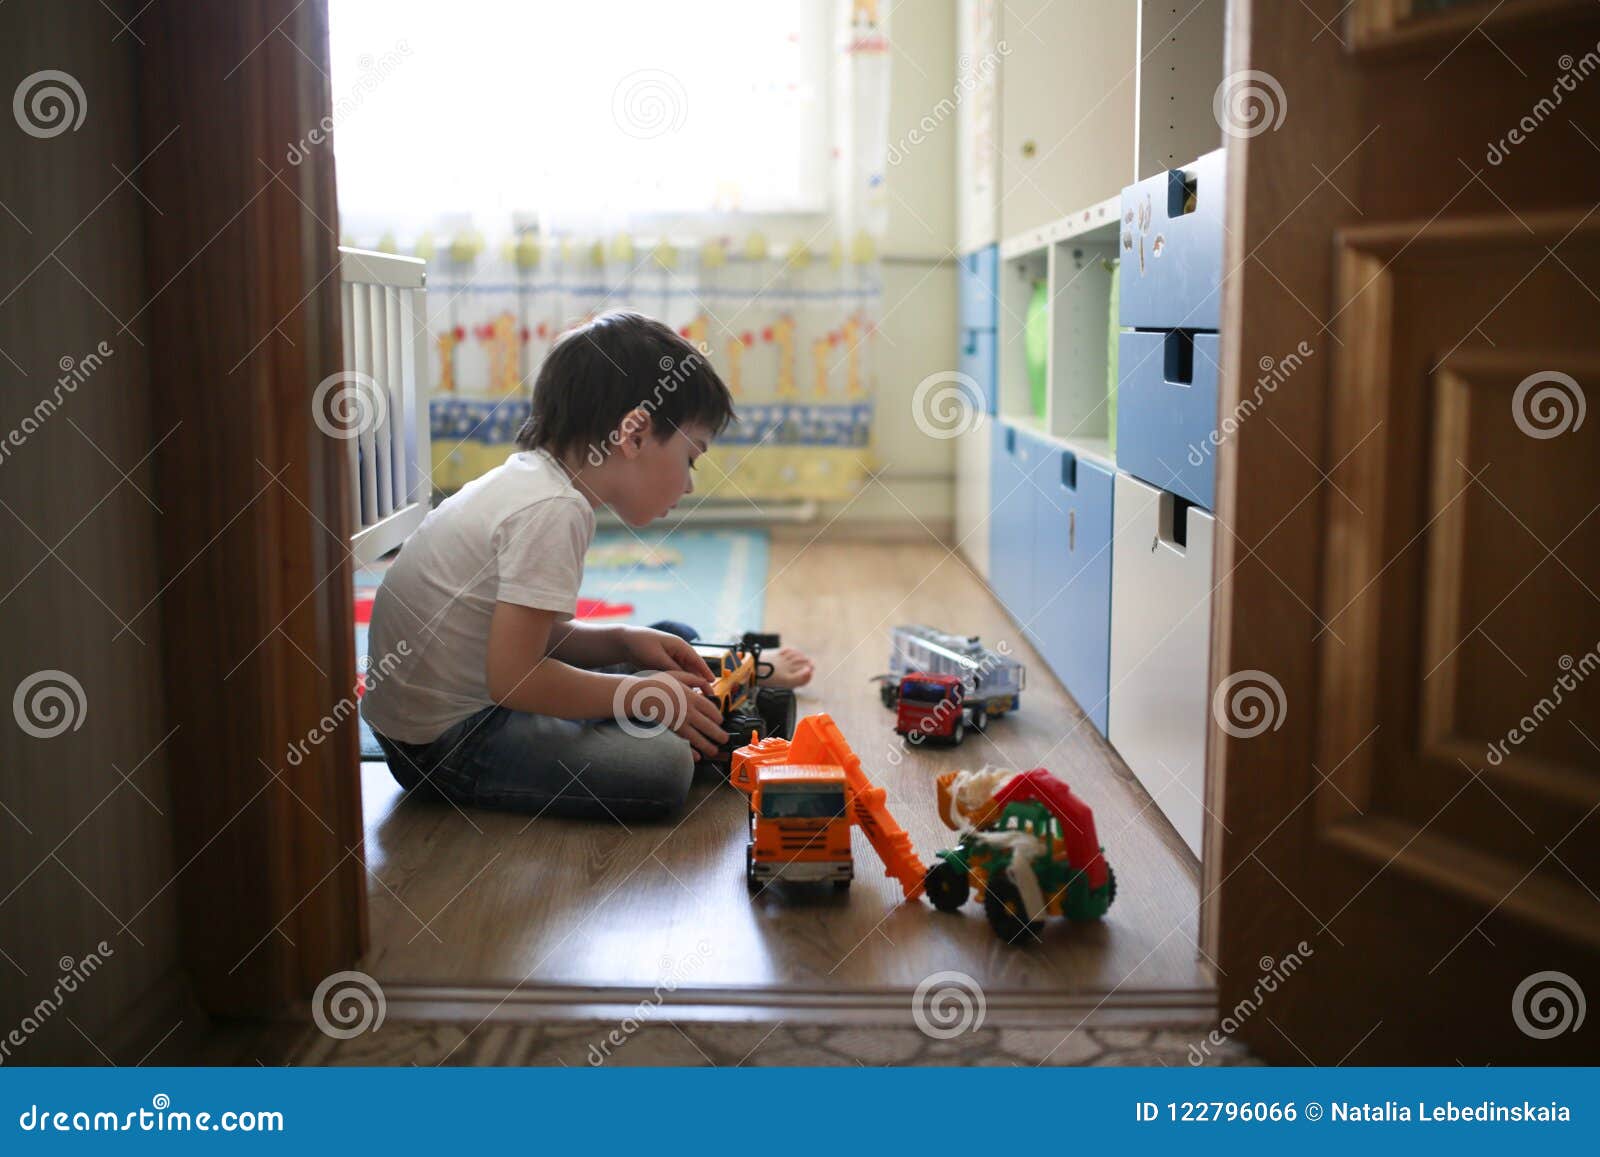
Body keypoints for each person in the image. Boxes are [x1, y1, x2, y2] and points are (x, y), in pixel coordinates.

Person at [360, 311, 812, 821]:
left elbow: (528, 639)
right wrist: (635, 694)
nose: (689, 484)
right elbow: (514, 679)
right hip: (449, 743)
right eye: (690, 458)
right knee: (661, 770)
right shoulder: (553, 510)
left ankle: (678, 705)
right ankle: (681, 717)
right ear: (634, 436)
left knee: (669, 639)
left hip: (462, 702)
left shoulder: (535, 483)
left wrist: (621, 641)